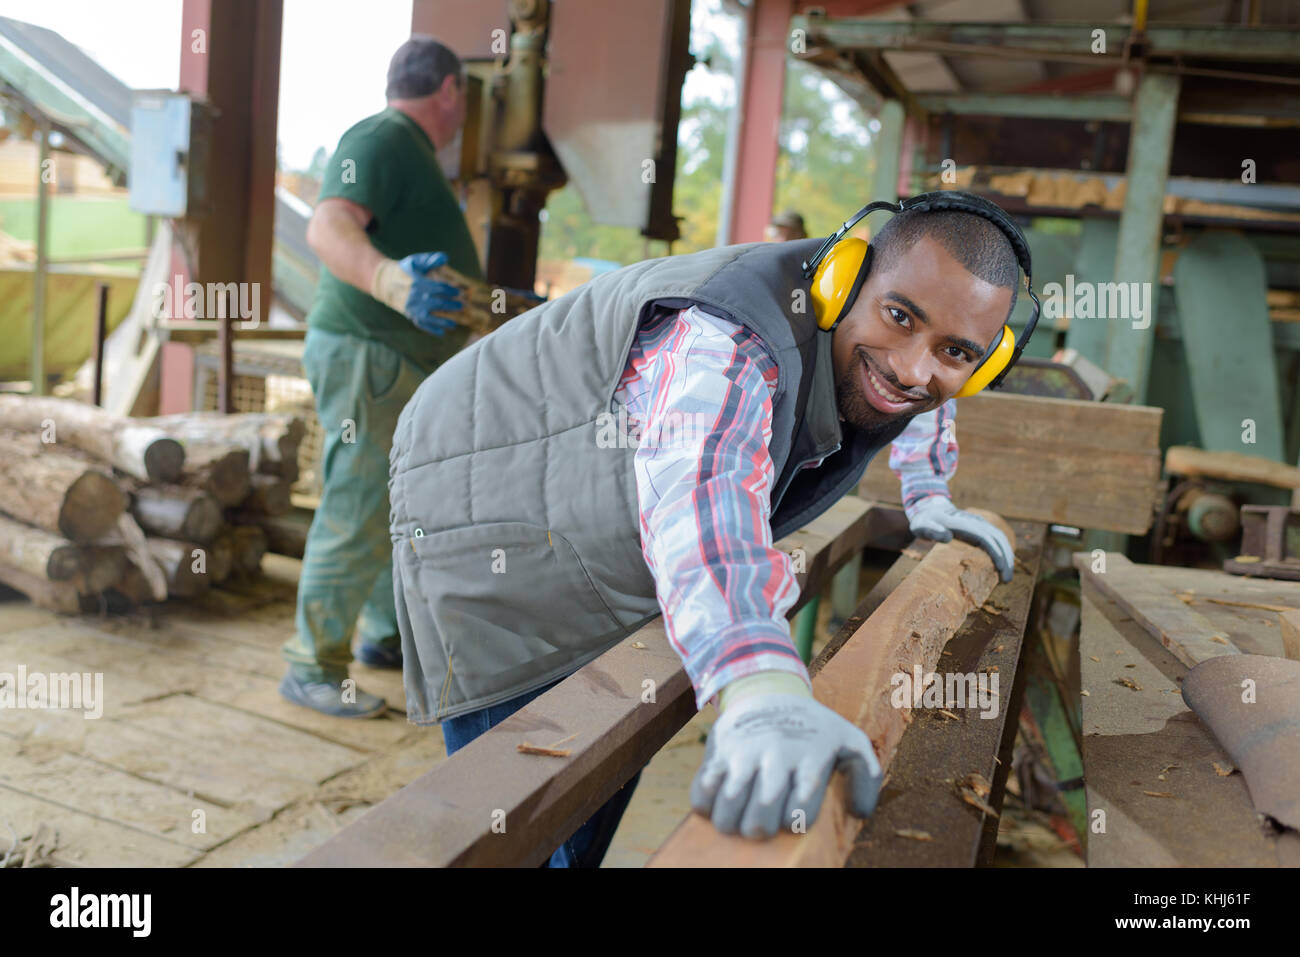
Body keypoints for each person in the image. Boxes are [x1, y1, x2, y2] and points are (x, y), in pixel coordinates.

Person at [389, 191, 1033, 863]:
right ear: (845, 276)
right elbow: (705, 491)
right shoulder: (728, 335)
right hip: (486, 497)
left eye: (956, 352)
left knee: (589, 792)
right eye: (899, 316)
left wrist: (928, 493)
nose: (912, 366)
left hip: (597, 513)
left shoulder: (912, 353)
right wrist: (762, 684)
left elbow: (928, 392)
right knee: (522, 816)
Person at [278, 36, 484, 718]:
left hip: (395, 357)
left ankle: (377, 636)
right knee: (360, 500)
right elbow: (327, 226)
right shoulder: (382, 135)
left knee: (390, 503)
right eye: (464, 99)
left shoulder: (410, 154)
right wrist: (392, 282)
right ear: (449, 89)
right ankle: (312, 666)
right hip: (368, 348)